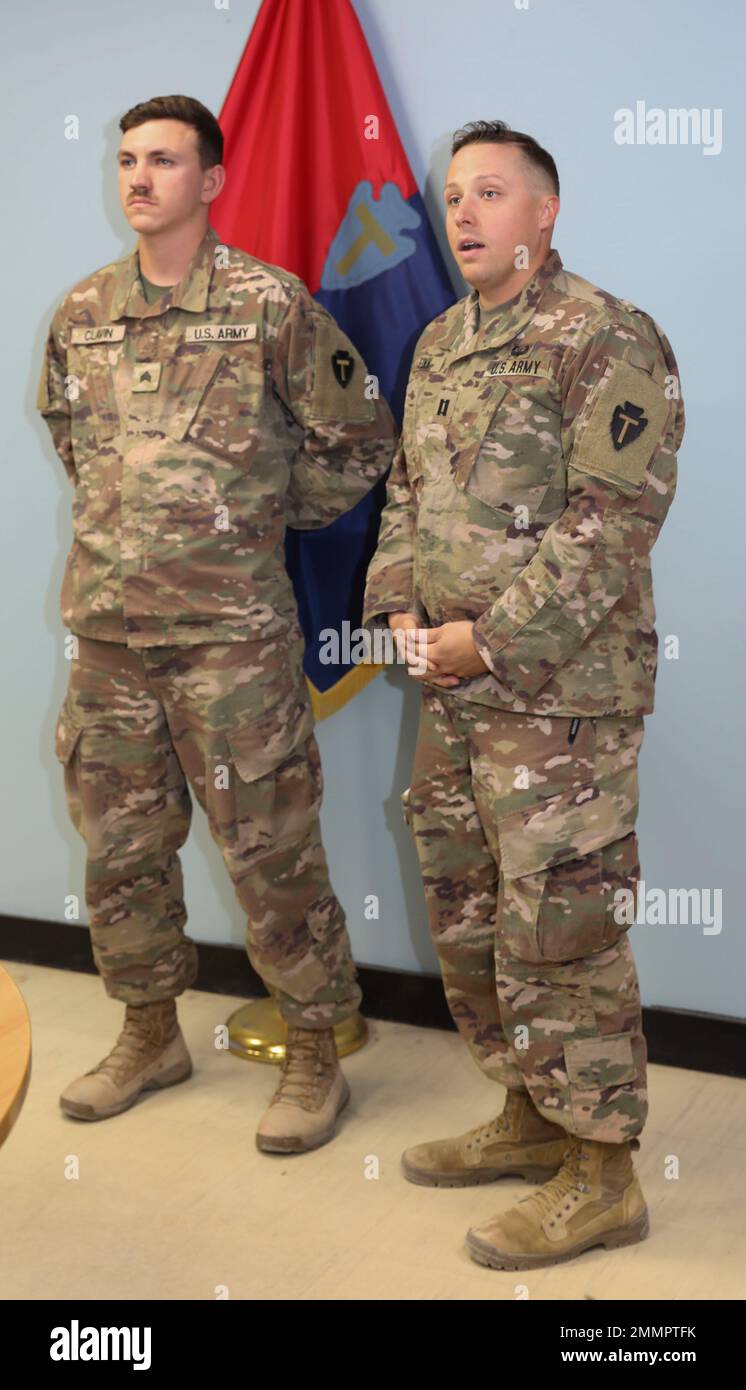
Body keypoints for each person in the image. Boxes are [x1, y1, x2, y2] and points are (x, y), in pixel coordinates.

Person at [37, 94, 396, 1152]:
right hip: (108, 637)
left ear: (212, 180)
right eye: (127, 160)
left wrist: (248, 514)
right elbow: (76, 437)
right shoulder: (82, 311)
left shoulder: (266, 305)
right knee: (121, 851)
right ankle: (149, 1031)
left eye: (162, 161)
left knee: (270, 851)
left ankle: (317, 1049)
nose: (138, 178)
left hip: (231, 639)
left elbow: (357, 435)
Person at [363, 119, 684, 1269]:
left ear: (544, 211)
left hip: (555, 695)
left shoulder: (604, 336)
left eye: (490, 193)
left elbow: (612, 526)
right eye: (452, 196)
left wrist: (485, 641)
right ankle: (529, 1110)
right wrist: (399, 608)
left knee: (562, 924)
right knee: (468, 907)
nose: (462, 215)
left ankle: (601, 1173)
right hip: (448, 689)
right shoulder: (442, 341)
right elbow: (403, 491)